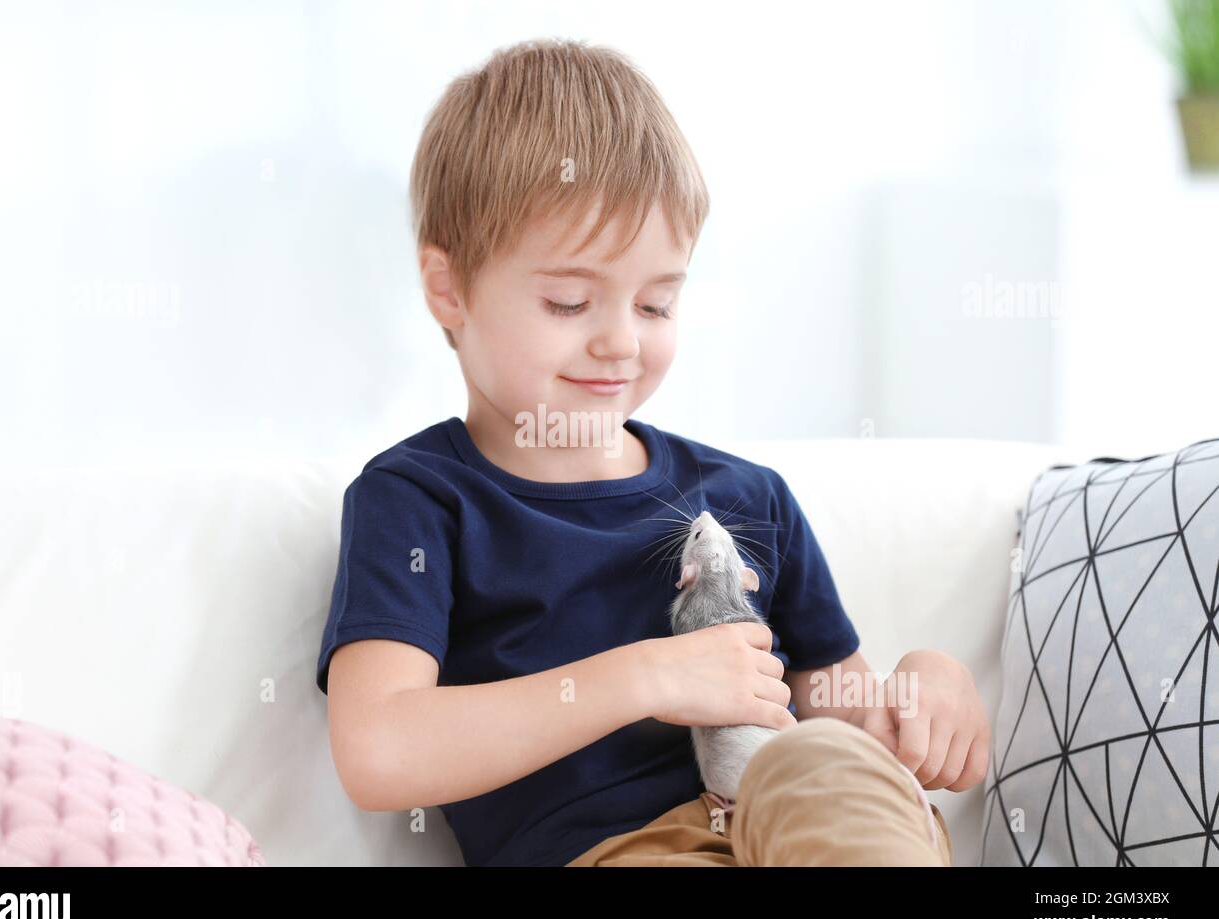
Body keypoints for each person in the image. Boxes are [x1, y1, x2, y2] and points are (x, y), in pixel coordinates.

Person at [317, 38, 989, 867]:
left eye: (657, 303)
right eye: (570, 301)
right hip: (615, 852)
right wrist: (645, 679)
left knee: (830, 768)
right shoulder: (419, 500)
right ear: (448, 289)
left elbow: (838, 717)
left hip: (794, 823)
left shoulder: (750, 496)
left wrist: (921, 687)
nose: (620, 342)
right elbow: (380, 748)